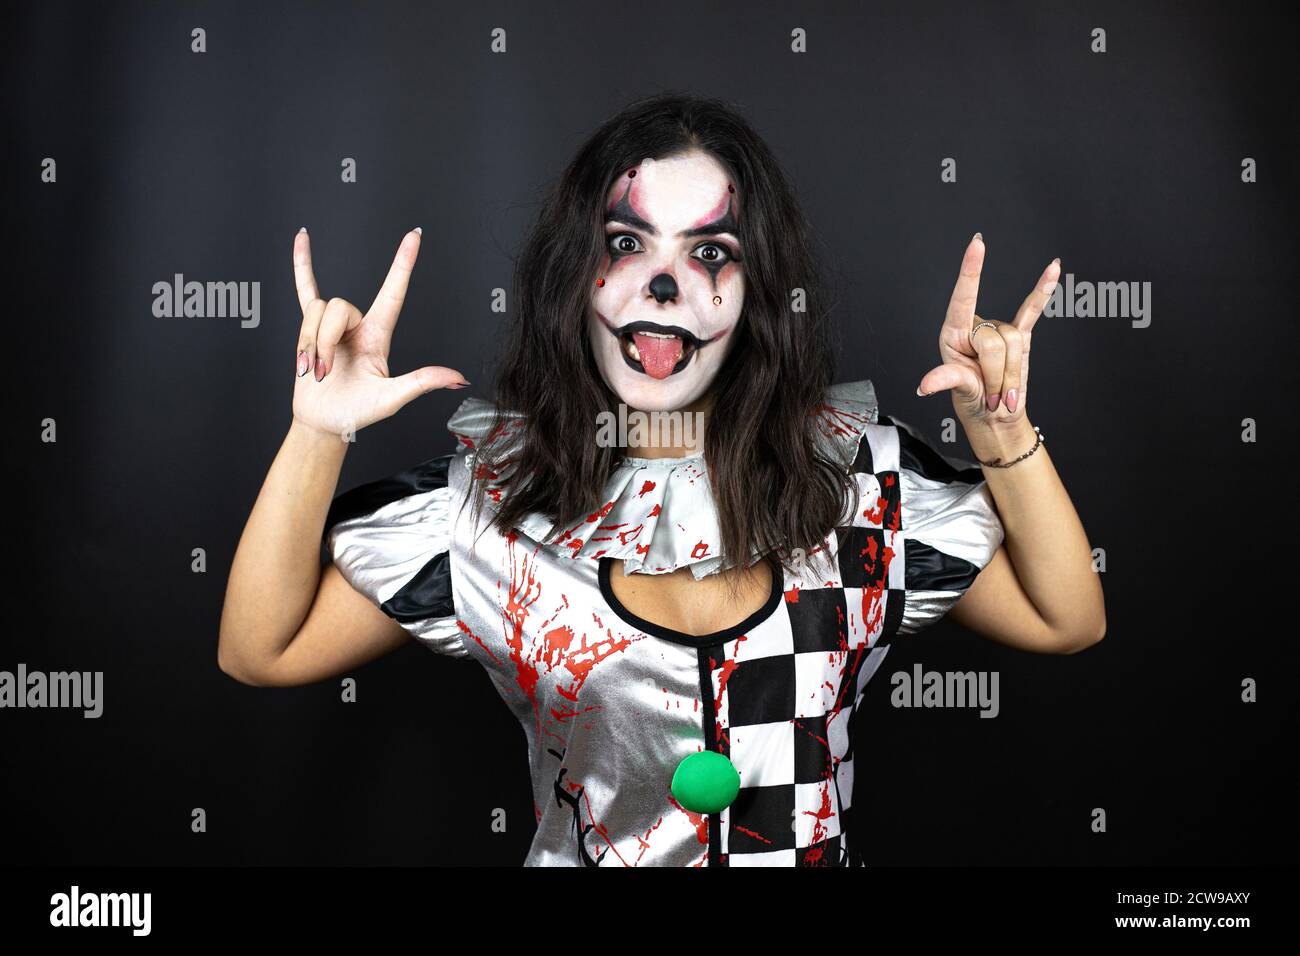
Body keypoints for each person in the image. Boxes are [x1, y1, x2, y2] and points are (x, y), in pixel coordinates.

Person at [218, 91, 1105, 866]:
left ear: (759, 289)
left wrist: (1000, 428)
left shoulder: (861, 486)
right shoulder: (493, 506)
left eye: (712, 252)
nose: (666, 283)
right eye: (625, 240)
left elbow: (1067, 617)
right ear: (579, 276)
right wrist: (316, 431)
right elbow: (260, 649)